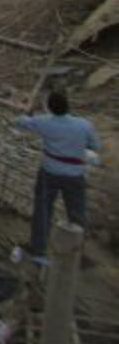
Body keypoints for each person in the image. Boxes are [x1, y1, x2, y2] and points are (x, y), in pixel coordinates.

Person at [10, 91, 101, 265]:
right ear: (68, 106)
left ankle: (39, 250)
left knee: (43, 210)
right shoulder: (84, 125)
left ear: (50, 108)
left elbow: (19, 123)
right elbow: (95, 146)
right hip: (75, 175)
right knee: (77, 214)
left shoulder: (44, 122)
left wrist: (26, 113)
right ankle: (78, 254)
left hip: (49, 173)